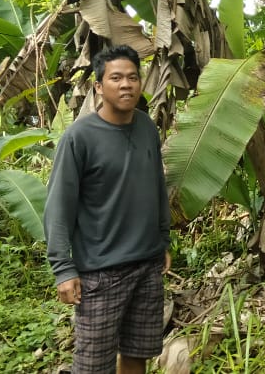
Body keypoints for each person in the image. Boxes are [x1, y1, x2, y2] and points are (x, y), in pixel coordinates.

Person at [44, 44, 172, 374]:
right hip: (102, 272)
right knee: (92, 365)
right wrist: (63, 268)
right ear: (99, 86)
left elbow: (157, 187)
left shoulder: (146, 128)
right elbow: (59, 206)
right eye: (116, 78)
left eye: (132, 77)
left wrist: (163, 240)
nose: (126, 84)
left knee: (137, 354)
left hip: (147, 265)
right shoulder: (79, 138)